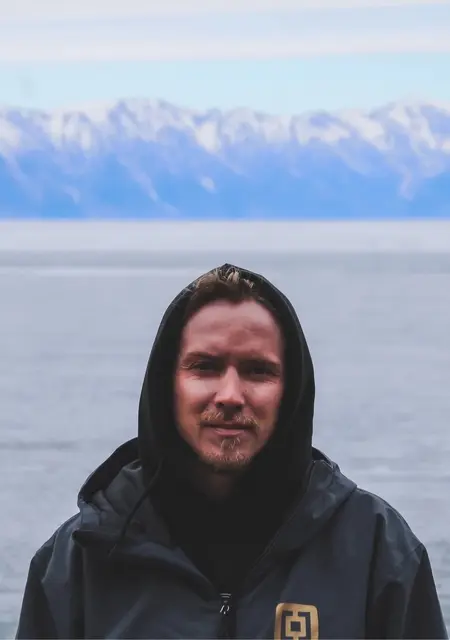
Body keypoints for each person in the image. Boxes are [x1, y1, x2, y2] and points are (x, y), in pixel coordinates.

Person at [16, 263, 447, 640]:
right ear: (167, 384)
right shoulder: (78, 562)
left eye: (258, 371)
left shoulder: (377, 552)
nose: (230, 395)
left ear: (291, 392)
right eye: (205, 367)